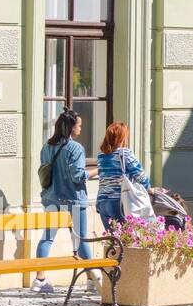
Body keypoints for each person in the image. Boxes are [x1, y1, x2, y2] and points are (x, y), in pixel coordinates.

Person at [33, 109, 98, 295]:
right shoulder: (76, 149)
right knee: (80, 239)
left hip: (51, 198)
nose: (80, 128)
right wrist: (96, 171)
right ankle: (91, 280)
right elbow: (77, 176)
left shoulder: (46, 147)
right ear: (71, 128)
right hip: (74, 200)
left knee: (47, 238)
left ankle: (39, 279)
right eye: (78, 125)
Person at [96, 122, 151, 230]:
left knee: (112, 240)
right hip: (119, 202)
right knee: (126, 240)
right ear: (122, 138)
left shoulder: (101, 156)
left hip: (103, 203)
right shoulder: (125, 153)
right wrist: (148, 188)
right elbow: (140, 175)